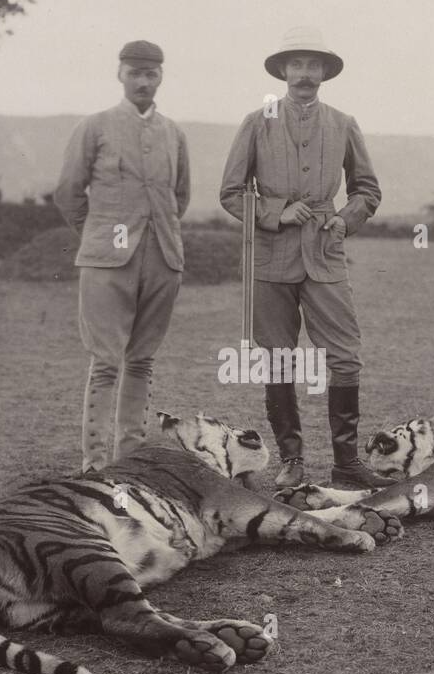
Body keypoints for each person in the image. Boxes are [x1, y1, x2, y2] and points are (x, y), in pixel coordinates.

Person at [219, 26, 391, 489]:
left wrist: (346, 219)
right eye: (296, 64)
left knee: (345, 356)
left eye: (313, 65)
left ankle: (347, 462)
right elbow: (231, 193)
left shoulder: (343, 123)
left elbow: (367, 190)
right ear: (282, 71)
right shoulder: (257, 122)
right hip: (270, 260)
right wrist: (276, 211)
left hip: (325, 253)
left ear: (324, 73)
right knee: (277, 359)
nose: (304, 74)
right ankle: (292, 460)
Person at [55, 40, 190, 474]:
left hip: (163, 258)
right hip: (106, 262)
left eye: (151, 74)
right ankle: (95, 465)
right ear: (120, 75)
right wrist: (99, 235)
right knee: (106, 362)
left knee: (142, 360)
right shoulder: (94, 128)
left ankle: (129, 461)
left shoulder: (174, 133)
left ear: (161, 77)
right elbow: (69, 193)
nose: (143, 82)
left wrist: (158, 237)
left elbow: (179, 197)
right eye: (135, 73)